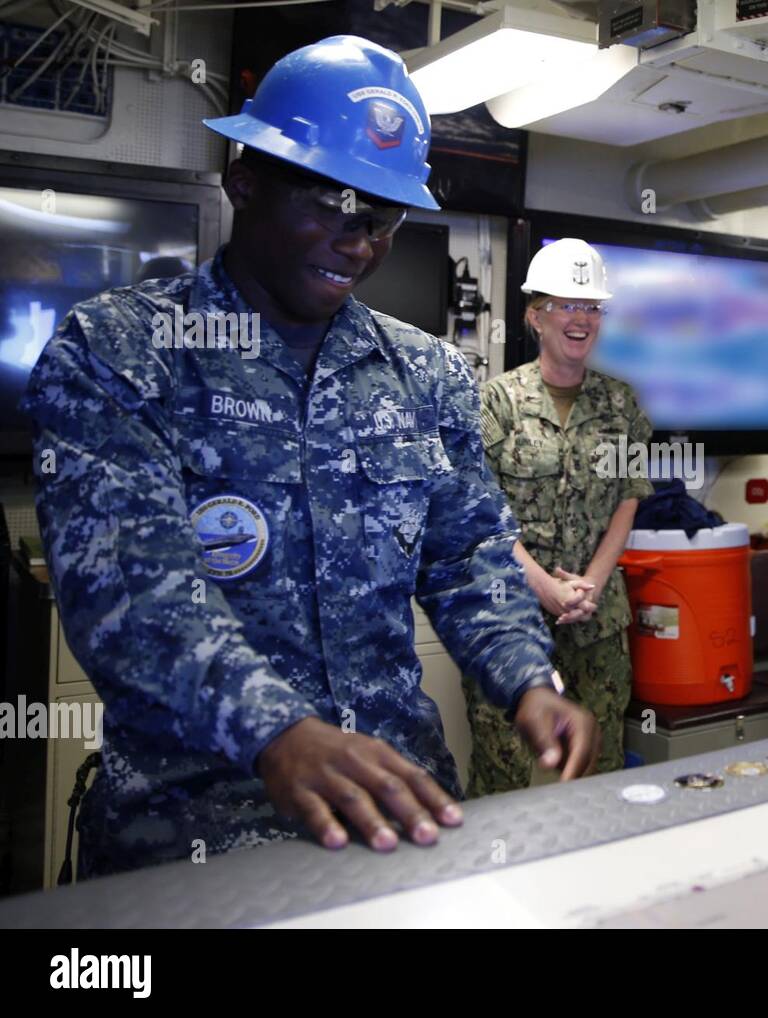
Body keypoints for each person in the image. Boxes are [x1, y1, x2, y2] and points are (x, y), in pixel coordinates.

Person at [22, 36, 598, 878]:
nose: (359, 243)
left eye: (382, 217)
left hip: (396, 812)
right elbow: (131, 588)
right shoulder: (122, 352)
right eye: (331, 204)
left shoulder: (424, 371)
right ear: (245, 181)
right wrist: (274, 732)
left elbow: (466, 553)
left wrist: (526, 677)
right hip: (191, 831)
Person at [471, 239, 653, 795]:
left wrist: (591, 582)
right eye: (566, 305)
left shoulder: (623, 404)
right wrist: (547, 588)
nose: (581, 318)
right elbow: (482, 514)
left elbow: (629, 496)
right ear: (535, 315)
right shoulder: (496, 401)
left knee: (598, 770)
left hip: (597, 619)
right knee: (503, 769)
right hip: (512, 617)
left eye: (593, 307)